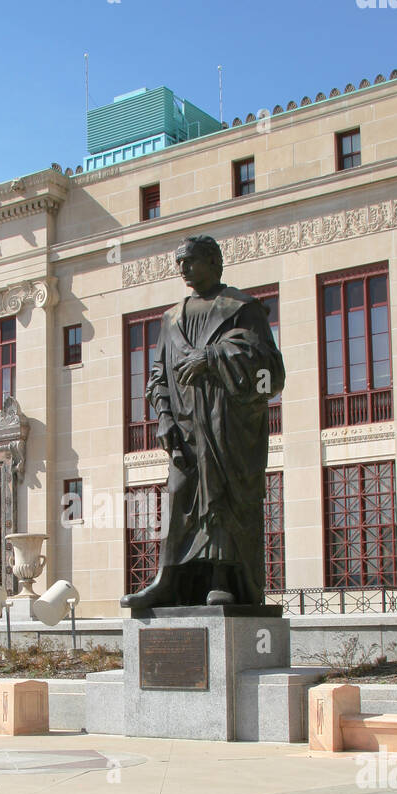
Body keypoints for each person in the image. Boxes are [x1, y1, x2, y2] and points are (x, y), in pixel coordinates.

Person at [121, 233, 285, 610]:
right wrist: (163, 419)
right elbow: (158, 376)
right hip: (184, 427)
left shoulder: (242, 308)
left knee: (223, 500)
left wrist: (213, 358)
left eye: (190, 260)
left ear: (214, 262)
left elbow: (270, 374)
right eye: (179, 262)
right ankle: (169, 579)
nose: (183, 268)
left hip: (227, 429)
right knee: (180, 495)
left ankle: (223, 578)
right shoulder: (171, 318)